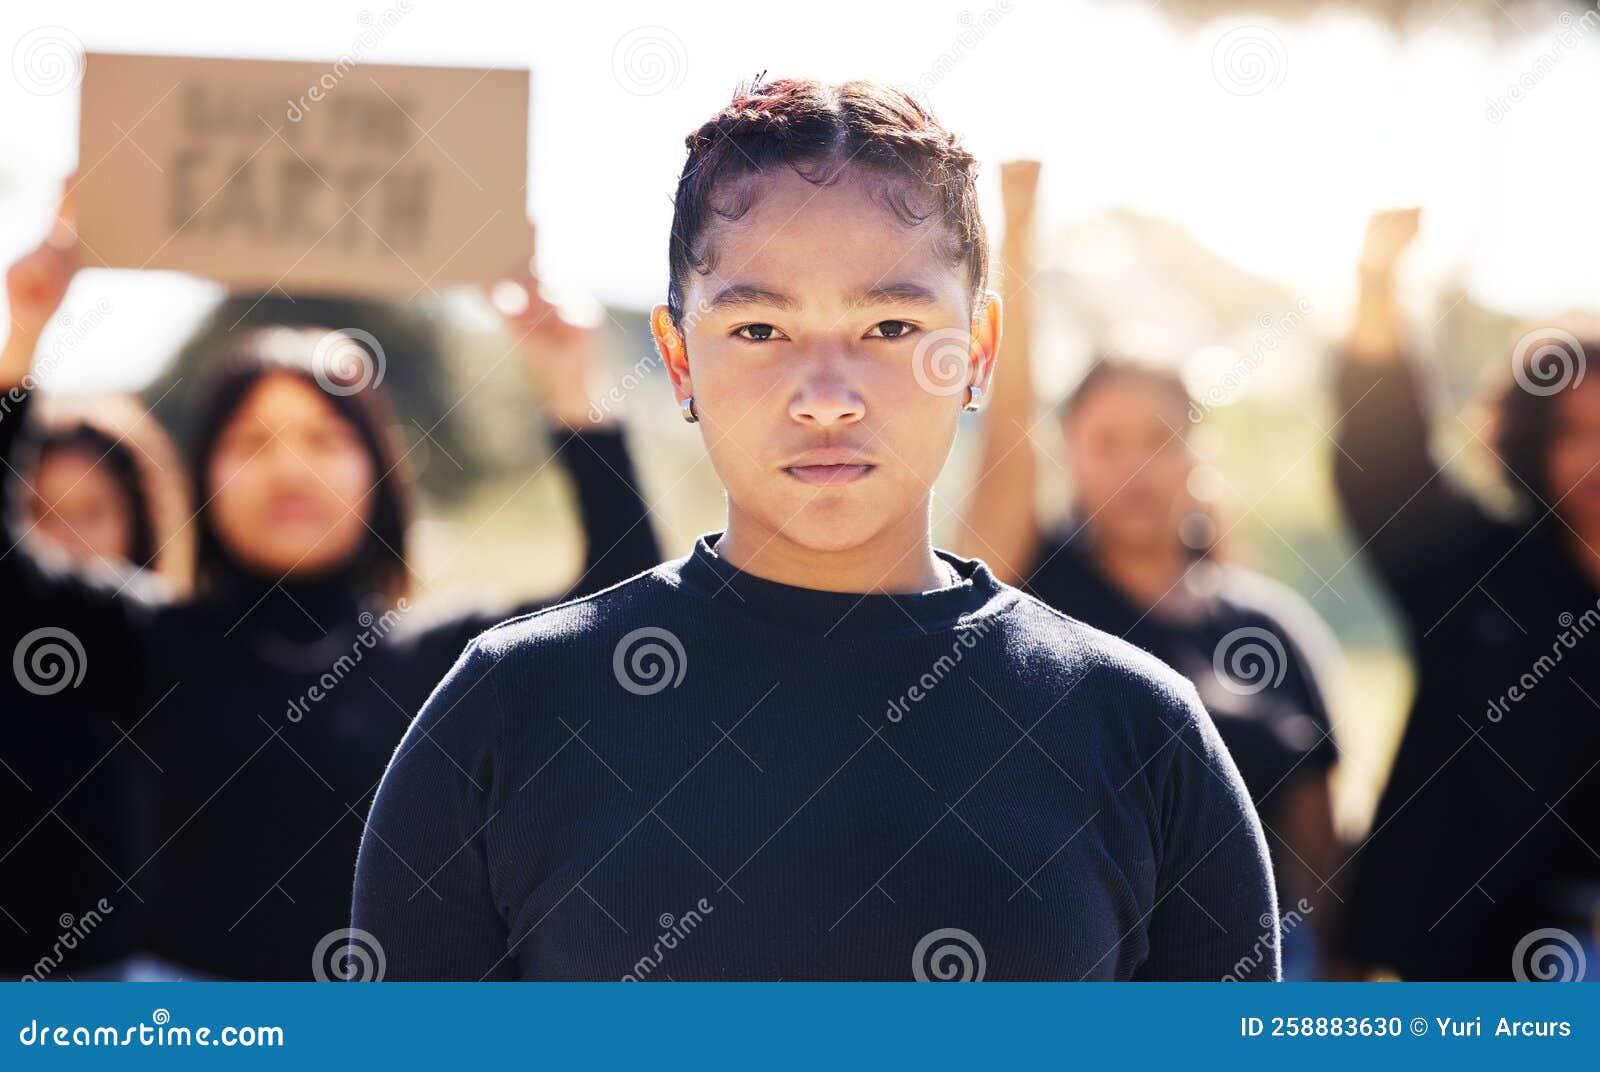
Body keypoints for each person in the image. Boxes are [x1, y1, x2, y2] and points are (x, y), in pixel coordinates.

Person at [353, 78, 1277, 982]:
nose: (828, 399)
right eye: (759, 329)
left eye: (888, 326)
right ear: (678, 358)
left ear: (978, 353)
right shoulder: (509, 712)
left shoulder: (1135, 731)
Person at [0, 199, 662, 981]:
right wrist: (21, 344)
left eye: (321, 439)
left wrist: (571, 391)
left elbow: (626, 614)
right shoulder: (146, 640)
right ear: (204, 474)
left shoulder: (455, 659)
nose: (289, 469)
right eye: (252, 442)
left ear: (377, 473)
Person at [955, 161, 1344, 979]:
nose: (1138, 468)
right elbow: (1005, 440)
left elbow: (1320, 847)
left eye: (1162, 438)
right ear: (1066, 459)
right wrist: (1016, 234)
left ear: (1200, 456)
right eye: (1108, 442)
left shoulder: (1264, 623)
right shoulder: (1030, 601)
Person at [1333, 208, 1600, 980]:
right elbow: (1384, 458)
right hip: (1442, 979)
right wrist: (1378, 280)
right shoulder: (1476, 566)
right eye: (1573, 432)